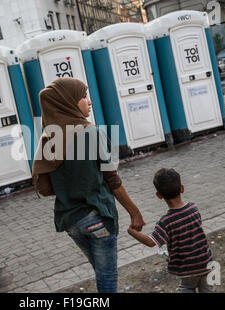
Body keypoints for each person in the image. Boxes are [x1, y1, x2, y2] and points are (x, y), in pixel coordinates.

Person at [32, 77, 145, 293]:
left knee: (102, 273)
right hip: (97, 216)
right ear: (68, 101)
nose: (89, 101)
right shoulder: (91, 133)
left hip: (71, 221)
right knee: (108, 278)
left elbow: (46, 188)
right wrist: (135, 213)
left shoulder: (49, 137)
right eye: (83, 96)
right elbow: (113, 180)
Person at [127, 168, 214, 293]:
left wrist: (132, 232)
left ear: (159, 196)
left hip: (187, 267)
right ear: (182, 188)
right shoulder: (194, 209)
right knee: (207, 289)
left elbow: (152, 242)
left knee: (186, 287)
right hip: (206, 261)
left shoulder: (166, 222)